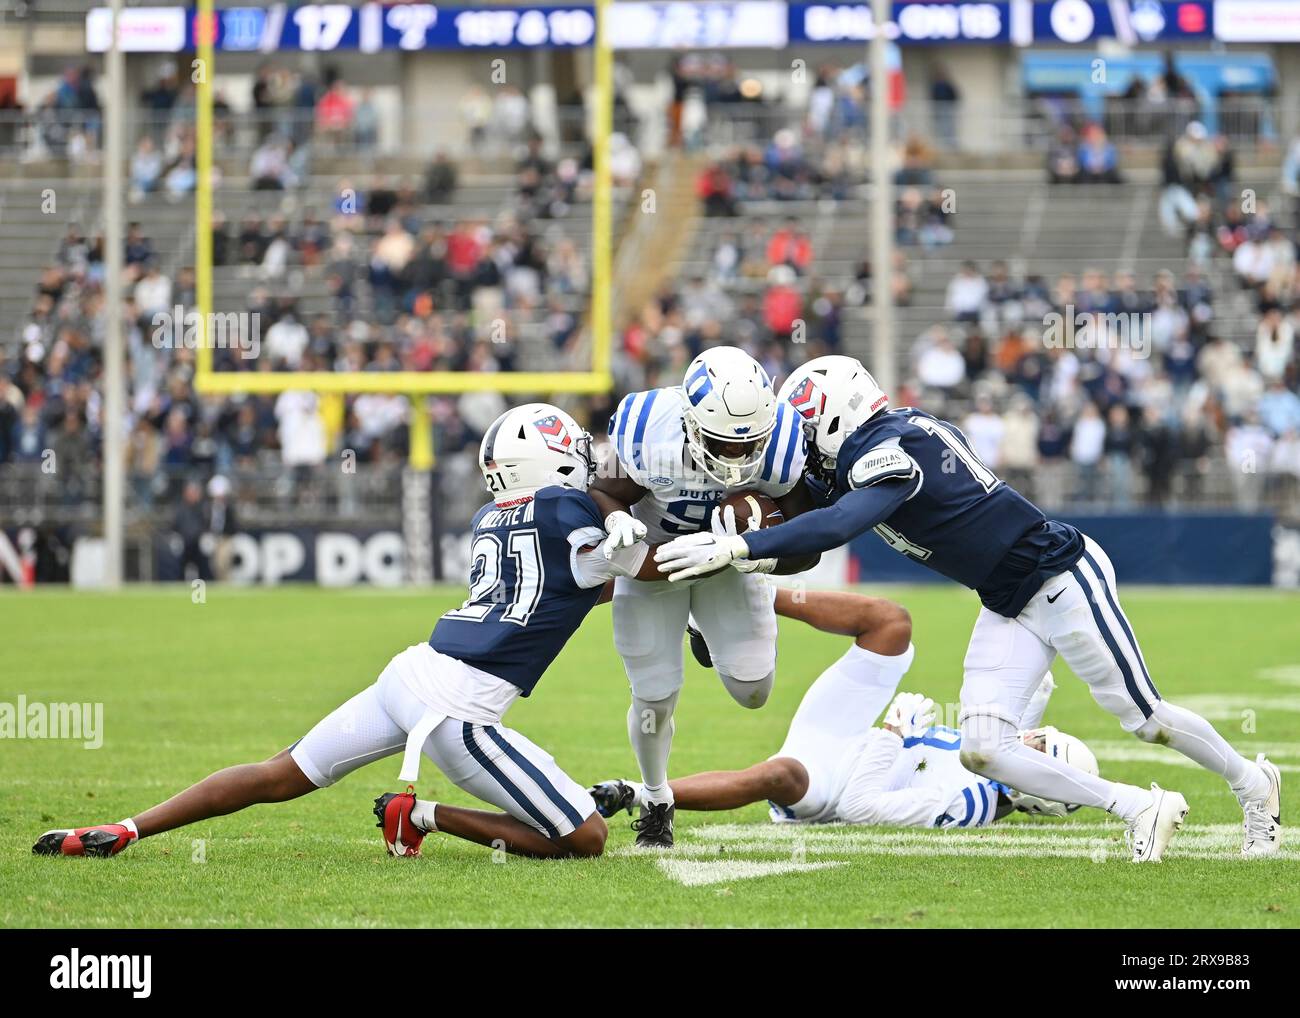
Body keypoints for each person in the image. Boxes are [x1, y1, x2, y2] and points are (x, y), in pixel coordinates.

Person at [655, 355, 1282, 861]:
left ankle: (1253, 787)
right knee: (982, 749)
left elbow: (834, 523)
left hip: (1060, 576)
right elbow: (809, 502)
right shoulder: (890, 437)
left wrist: (738, 544)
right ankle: (1136, 805)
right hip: (1009, 601)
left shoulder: (889, 449)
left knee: (1145, 716)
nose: (808, 449)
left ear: (833, 418)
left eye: (808, 431)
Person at [34, 404, 658, 861]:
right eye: (569, 448)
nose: (585, 457)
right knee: (585, 838)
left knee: (279, 773)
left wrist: (612, 528)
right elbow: (625, 551)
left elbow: (579, 581)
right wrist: (732, 545)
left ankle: (126, 829)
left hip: (409, 675)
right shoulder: (565, 508)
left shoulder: (488, 517)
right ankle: (421, 814)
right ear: (547, 462)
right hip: (456, 713)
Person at [593, 587, 1093, 829]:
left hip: (834, 779)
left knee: (779, 775)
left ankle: (638, 794)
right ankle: (751, 595)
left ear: (1036, 795)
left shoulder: (967, 806)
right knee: (891, 624)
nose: (1032, 739)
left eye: (1042, 749)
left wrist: (892, 735)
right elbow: (1029, 700)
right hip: (849, 727)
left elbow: (861, 807)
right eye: (1042, 739)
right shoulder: (1004, 759)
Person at [589, 346, 820, 848]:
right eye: (723, 443)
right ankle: (655, 798)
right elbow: (603, 489)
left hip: (729, 566)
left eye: (748, 444)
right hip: (657, 562)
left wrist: (752, 553)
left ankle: (703, 629)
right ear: (690, 420)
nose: (737, 458)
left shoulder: (782, 441)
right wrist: (615, 518)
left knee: (753, 690)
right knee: (654, 698)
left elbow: (809, 543)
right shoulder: (649, 427)